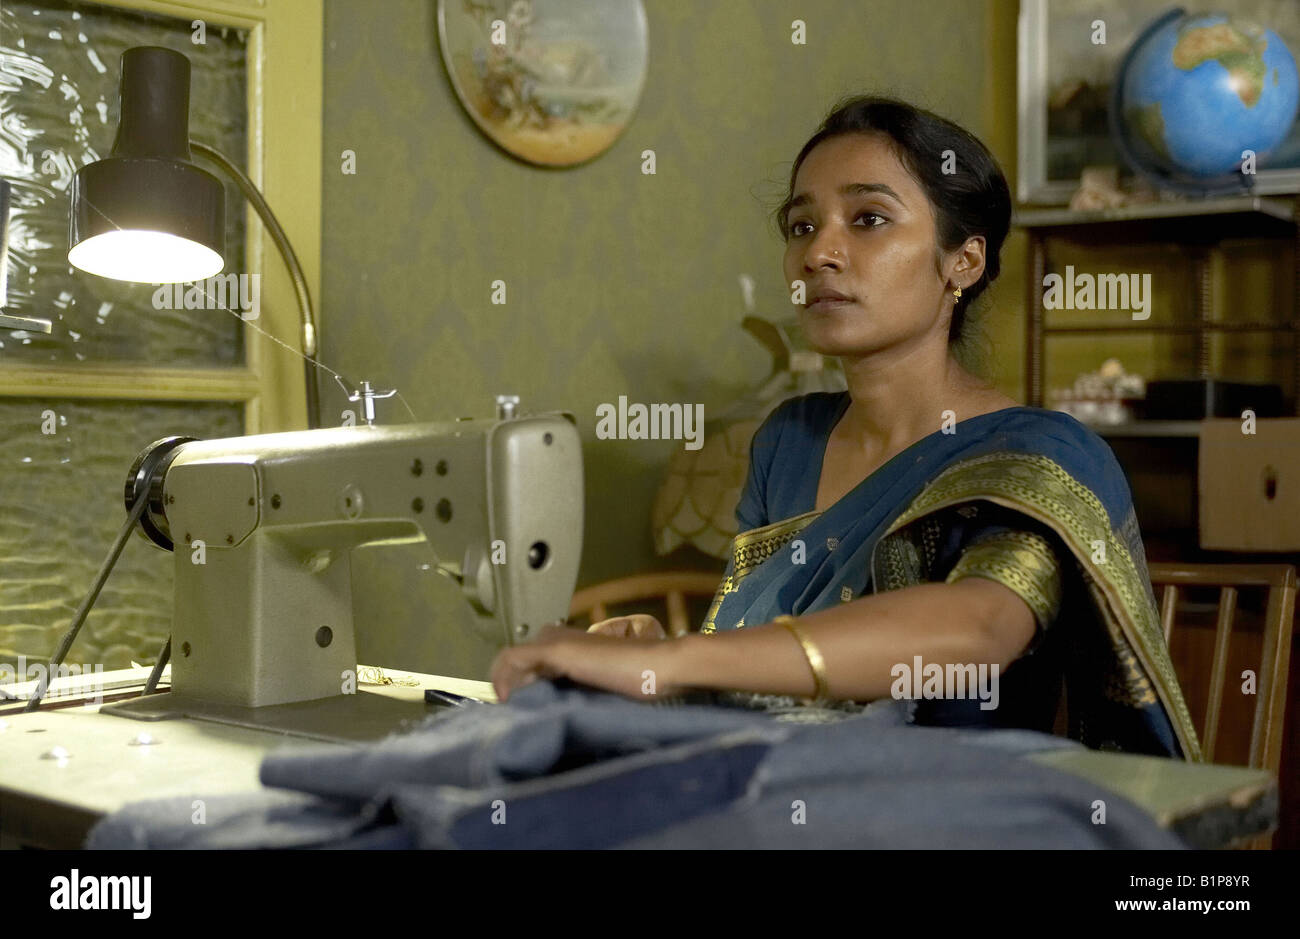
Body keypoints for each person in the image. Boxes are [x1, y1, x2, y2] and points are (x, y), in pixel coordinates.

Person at [490, 95, 1201, 760]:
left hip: (955, 814)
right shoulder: (788, 440)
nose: (818, 254)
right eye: (802, 225)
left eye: (867, 219)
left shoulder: (1042, 453)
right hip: (776, 788)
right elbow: (765, 659)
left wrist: (671, 662)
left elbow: (978, 629)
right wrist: (659, 655)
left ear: (964, 259)